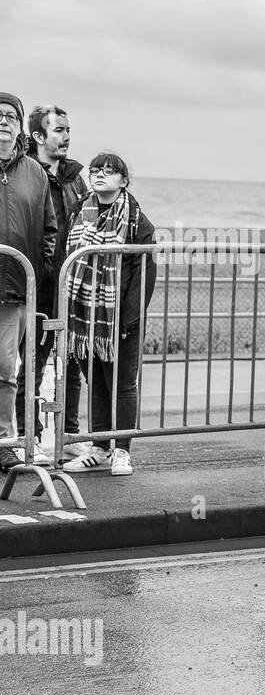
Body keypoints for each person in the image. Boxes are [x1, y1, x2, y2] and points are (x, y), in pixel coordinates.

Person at [60, 153, 156, 477]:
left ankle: (122, 451)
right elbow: (65, 257)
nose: (100, 174)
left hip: (122, 318)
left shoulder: (136, 221)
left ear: (123, 181)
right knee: (97, 382)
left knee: (124, 384)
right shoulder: (78, 212)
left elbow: (144, 274)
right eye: (96, 170)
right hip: (85, 318)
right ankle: (100, 446)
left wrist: (128, 319)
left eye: (109, 171)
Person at [19, 105, 90, 464]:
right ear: (38, 137)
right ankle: (26, 437)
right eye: (58, 130)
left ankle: (70, 434)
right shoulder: (28, 173)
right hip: (41, 283)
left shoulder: (77, 177)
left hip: (73, 284)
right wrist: (45, 267)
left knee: (72, 361)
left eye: (67, 129)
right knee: (32, 361)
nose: (66, 136)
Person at [0, 91, 56, 474]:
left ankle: (4, 443)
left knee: (6, 373)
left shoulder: (35, 173)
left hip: (16, 291)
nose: (3, 121)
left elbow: (50, 228)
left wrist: (42, 267)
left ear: (20, 126)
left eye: (10, 116)